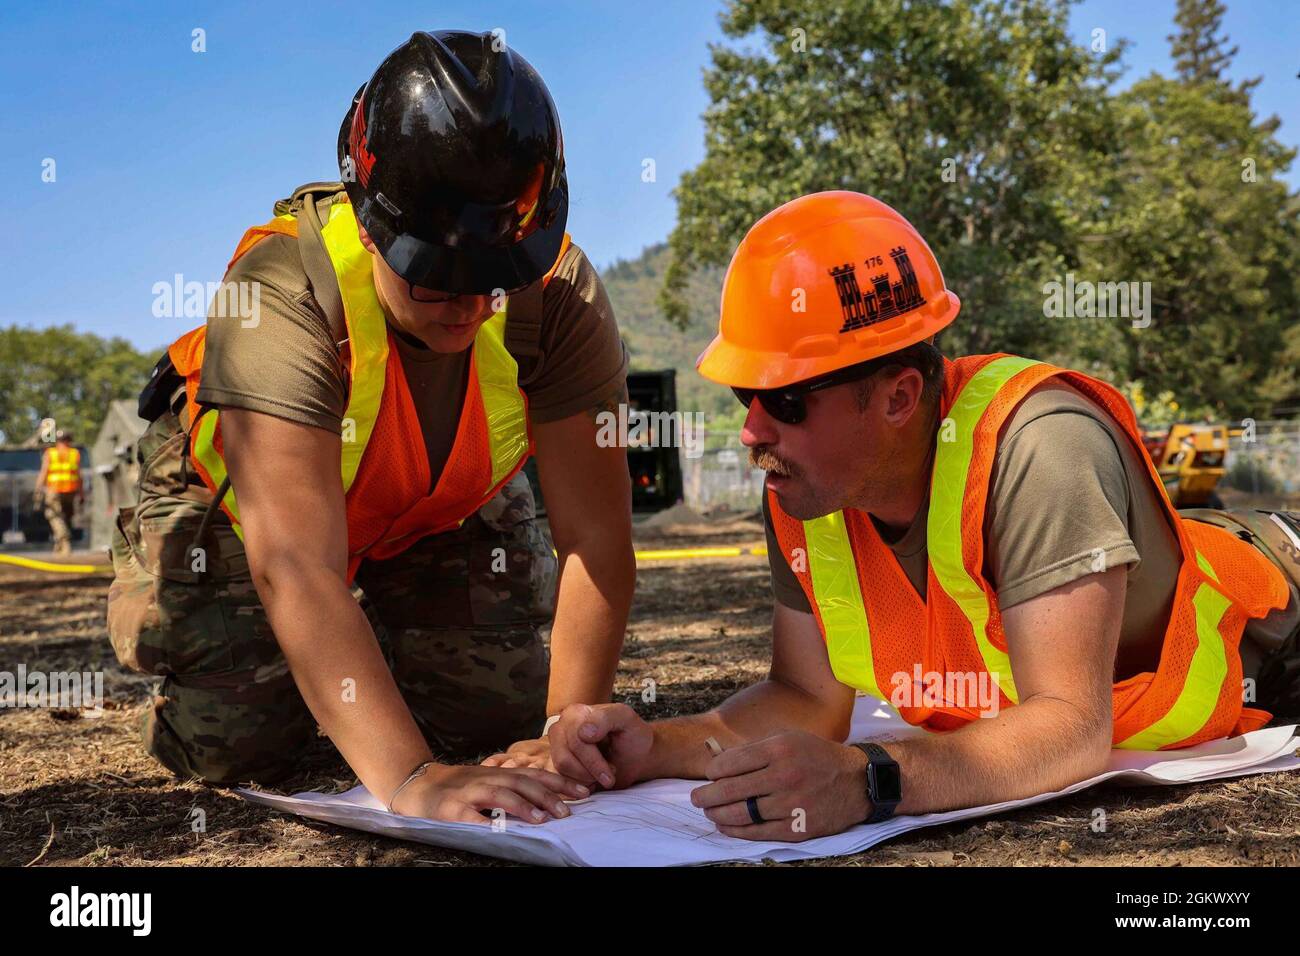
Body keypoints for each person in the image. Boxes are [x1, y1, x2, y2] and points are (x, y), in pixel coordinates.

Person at [546, 191, 1300, 841]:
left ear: (901, 397)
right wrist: (656, 744)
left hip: (1280, 622)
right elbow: (807, 699)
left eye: (784, 400)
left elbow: (1071, 724)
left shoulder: (1040, 447)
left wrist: (869, 779)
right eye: (747, 397)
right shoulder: (804, 490)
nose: (752, 431)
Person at [108, 30, 635, 825]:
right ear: (368, 219)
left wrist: (567, 729)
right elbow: (296, 565)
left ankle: (385, 641)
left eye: (493, 278)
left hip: (427, 512)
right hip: (252, 519)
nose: (467, 303)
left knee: (498, 716)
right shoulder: (280, 292)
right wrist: (413, 777)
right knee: (237, 743)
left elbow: (596, 538)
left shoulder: (557, 294)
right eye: (433, 277)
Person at [35, 429, 83, 555]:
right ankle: (59, 545)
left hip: (54, 491)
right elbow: (79, 476)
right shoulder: (75, 453)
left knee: (54, 517)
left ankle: (65, 542)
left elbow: (44, 472)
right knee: (66, 519)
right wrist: (81, 493)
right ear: (69, 440)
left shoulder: (50, 453)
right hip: (71, 491)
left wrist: (38, 489)